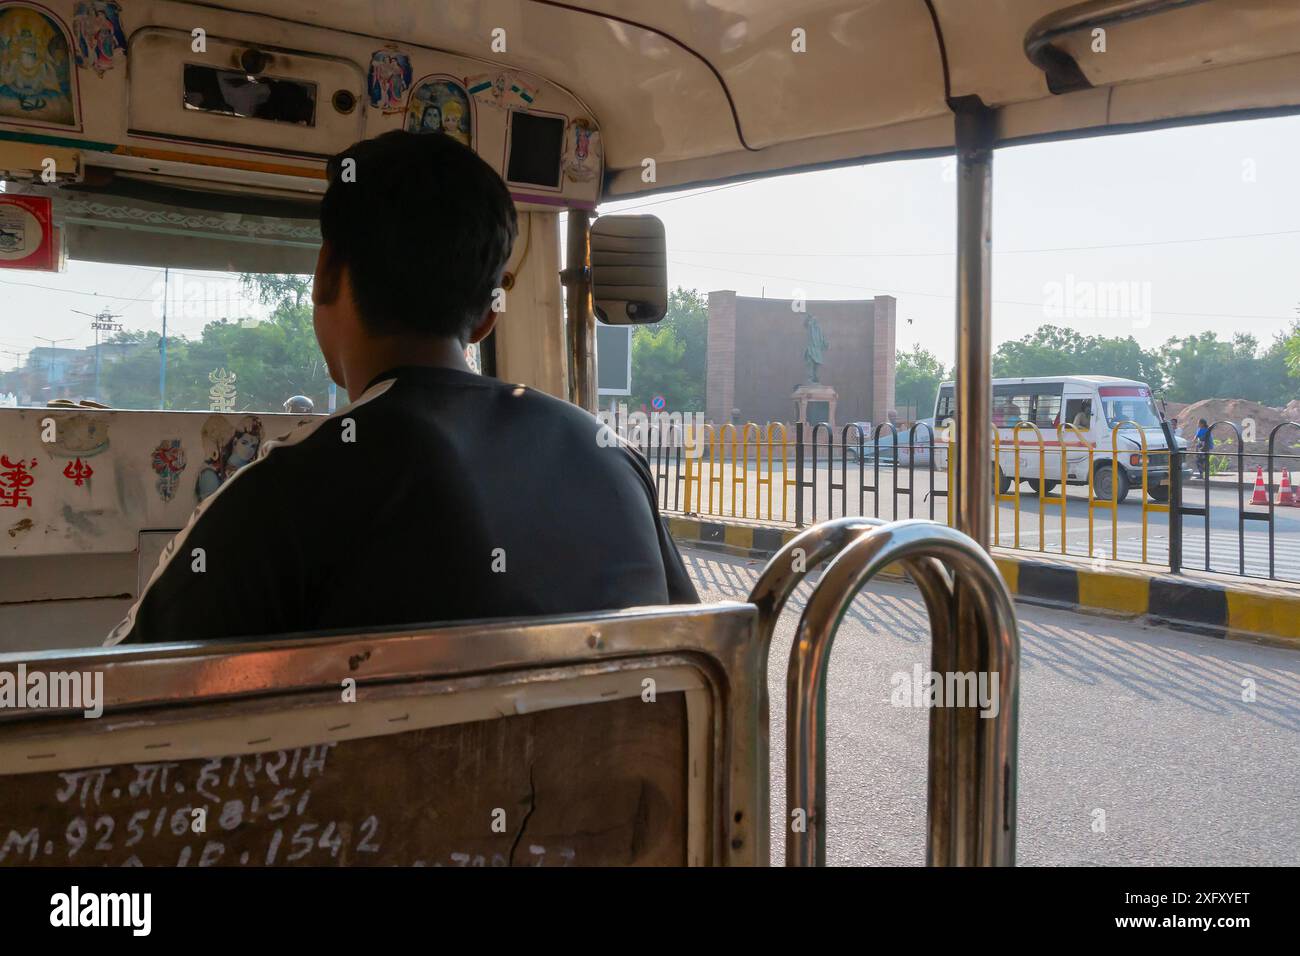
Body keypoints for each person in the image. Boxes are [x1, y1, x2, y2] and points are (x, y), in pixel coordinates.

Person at [106, 130, 696, 646]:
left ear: (325, 273)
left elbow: (110, 707)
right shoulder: (615, 461)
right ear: (489, 314)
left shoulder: (277, 496)